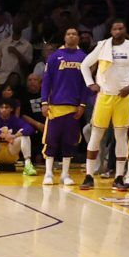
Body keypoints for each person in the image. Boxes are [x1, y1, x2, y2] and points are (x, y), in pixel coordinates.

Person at [79, 20, 129, 188]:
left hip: (122, 98)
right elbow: (85, 65)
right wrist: (90, 83)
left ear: (125, 30)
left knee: (121, 136)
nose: (118, 30)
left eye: (121, 28)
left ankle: (119, 177)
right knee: (95, 135)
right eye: (115, 28)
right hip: (104, 96)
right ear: (111, 30)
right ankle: (88, 175)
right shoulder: (102, 46)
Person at [37, 29, 90, 186]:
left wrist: (82, 104)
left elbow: (85, 84)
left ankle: (65, 174)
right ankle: (48, 173)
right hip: (55, 106)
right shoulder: (54, 57)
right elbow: (46, 81)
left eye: (74, 34)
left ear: (78, 38)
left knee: (70, 141)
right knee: (51, 141)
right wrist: (44, 102)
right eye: (68, 34)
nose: (71, 36)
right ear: (64, 37)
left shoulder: (84, 58)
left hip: (74, 107)